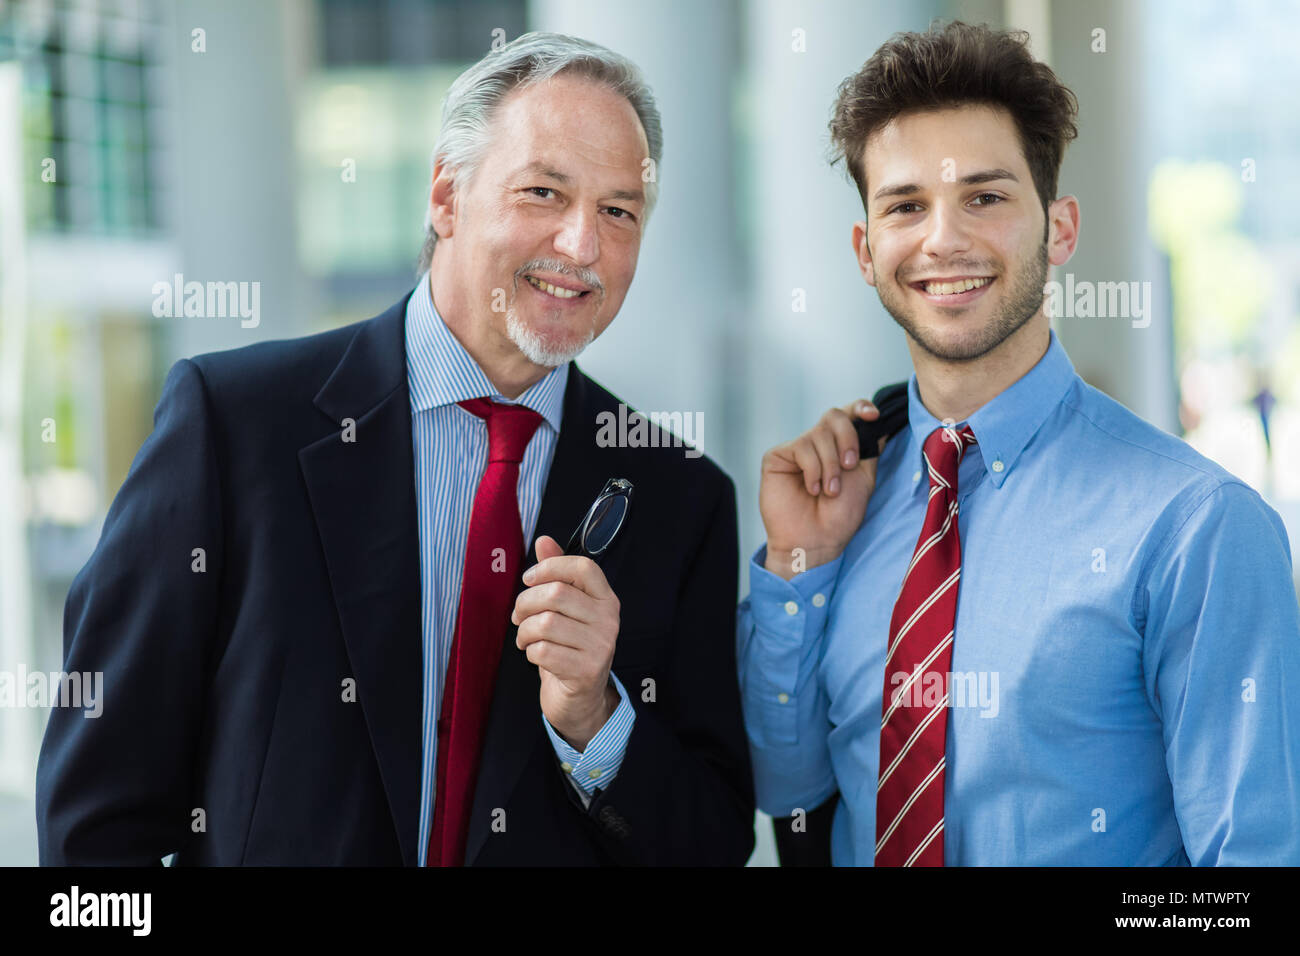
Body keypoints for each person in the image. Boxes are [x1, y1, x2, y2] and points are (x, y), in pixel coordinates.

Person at [37, 32, 754, 866]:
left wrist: (595, 717)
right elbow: (95, 819)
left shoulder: (683, 494)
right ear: (447, 197)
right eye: (544, 192)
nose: (581, 245)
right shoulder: (233, 427)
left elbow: (710, 843)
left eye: (619, 211)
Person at [738, 20, 1300, 866]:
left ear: (1060, 229)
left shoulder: (1200, 529)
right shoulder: (841, 507)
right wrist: (798, 561)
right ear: (865, 250)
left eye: (986, 197)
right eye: (905, 206)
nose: (942, 239)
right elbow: (787, 790)